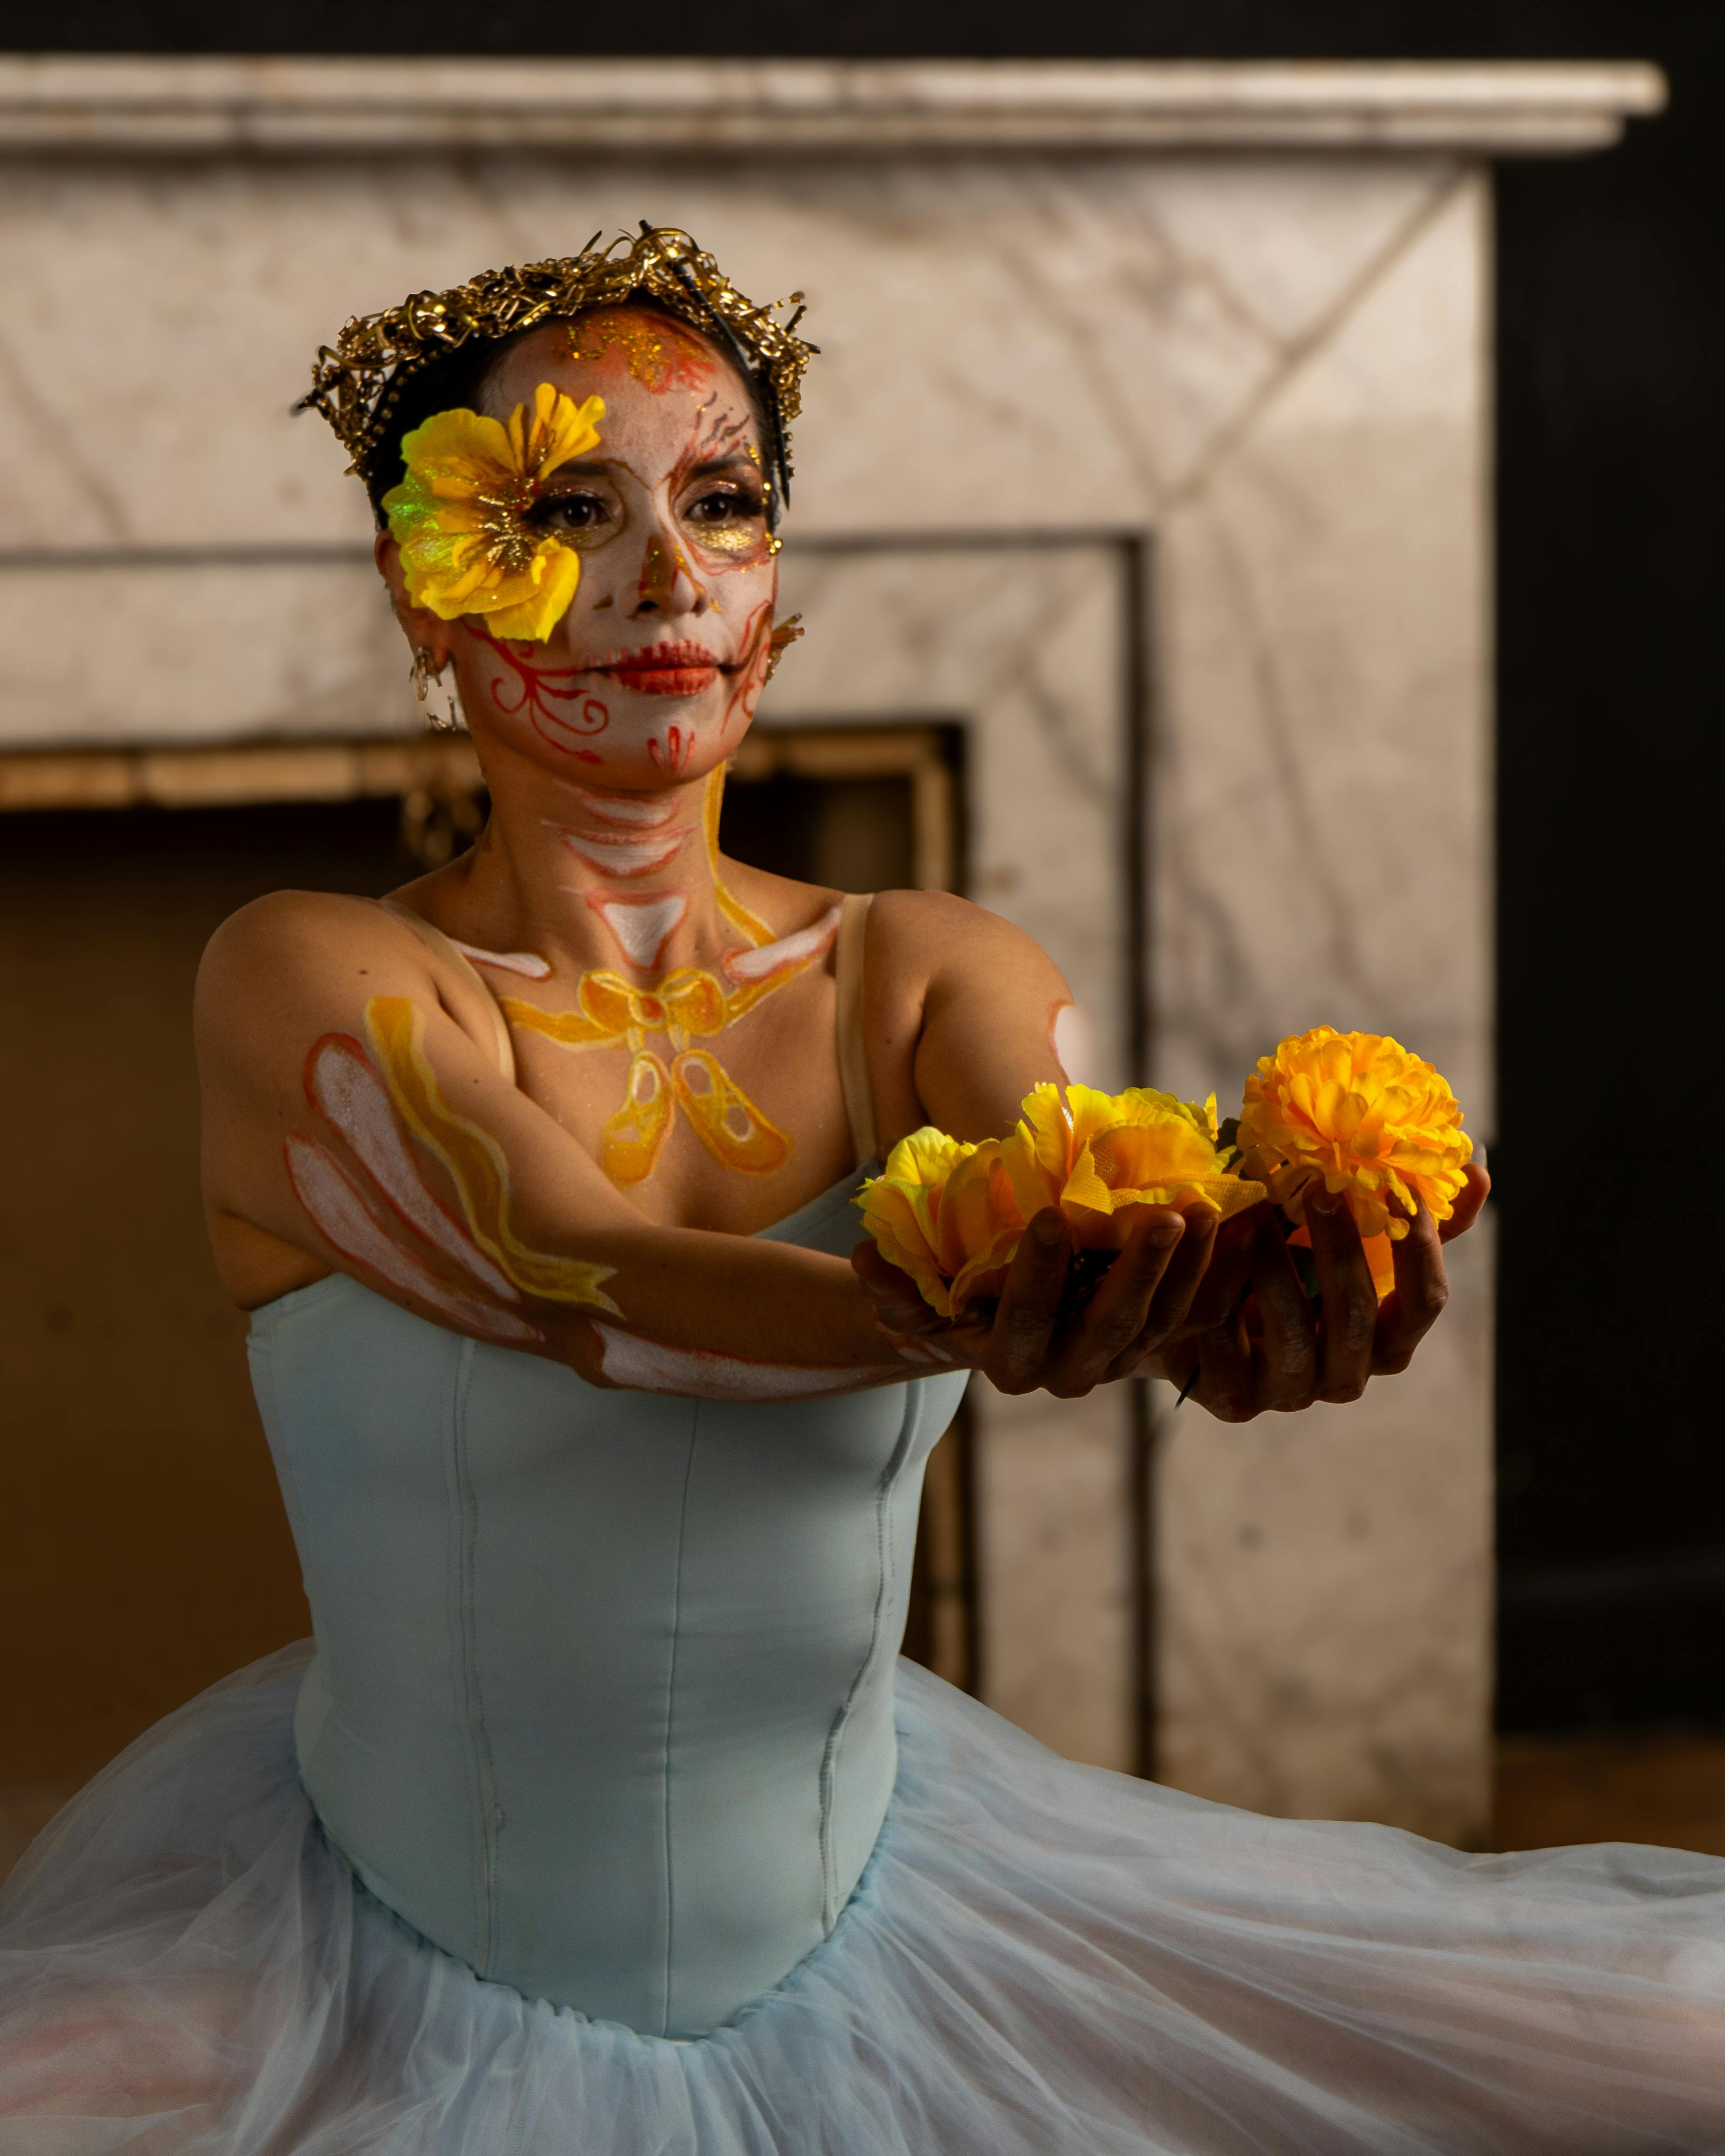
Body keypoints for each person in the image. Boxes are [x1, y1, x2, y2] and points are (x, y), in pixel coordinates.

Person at [0, 226, 1717, 2153]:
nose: (669, 574)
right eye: (572, 509)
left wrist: (1227, 1298)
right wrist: (993, 1309)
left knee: (1682, 2038)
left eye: (723, 502)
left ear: (775, 583)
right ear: (426, 590)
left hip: (893, 1949)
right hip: (374, 1976)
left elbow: (1083, 1186)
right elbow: (581, 1275)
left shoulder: (921, 969)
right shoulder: (308, 972)